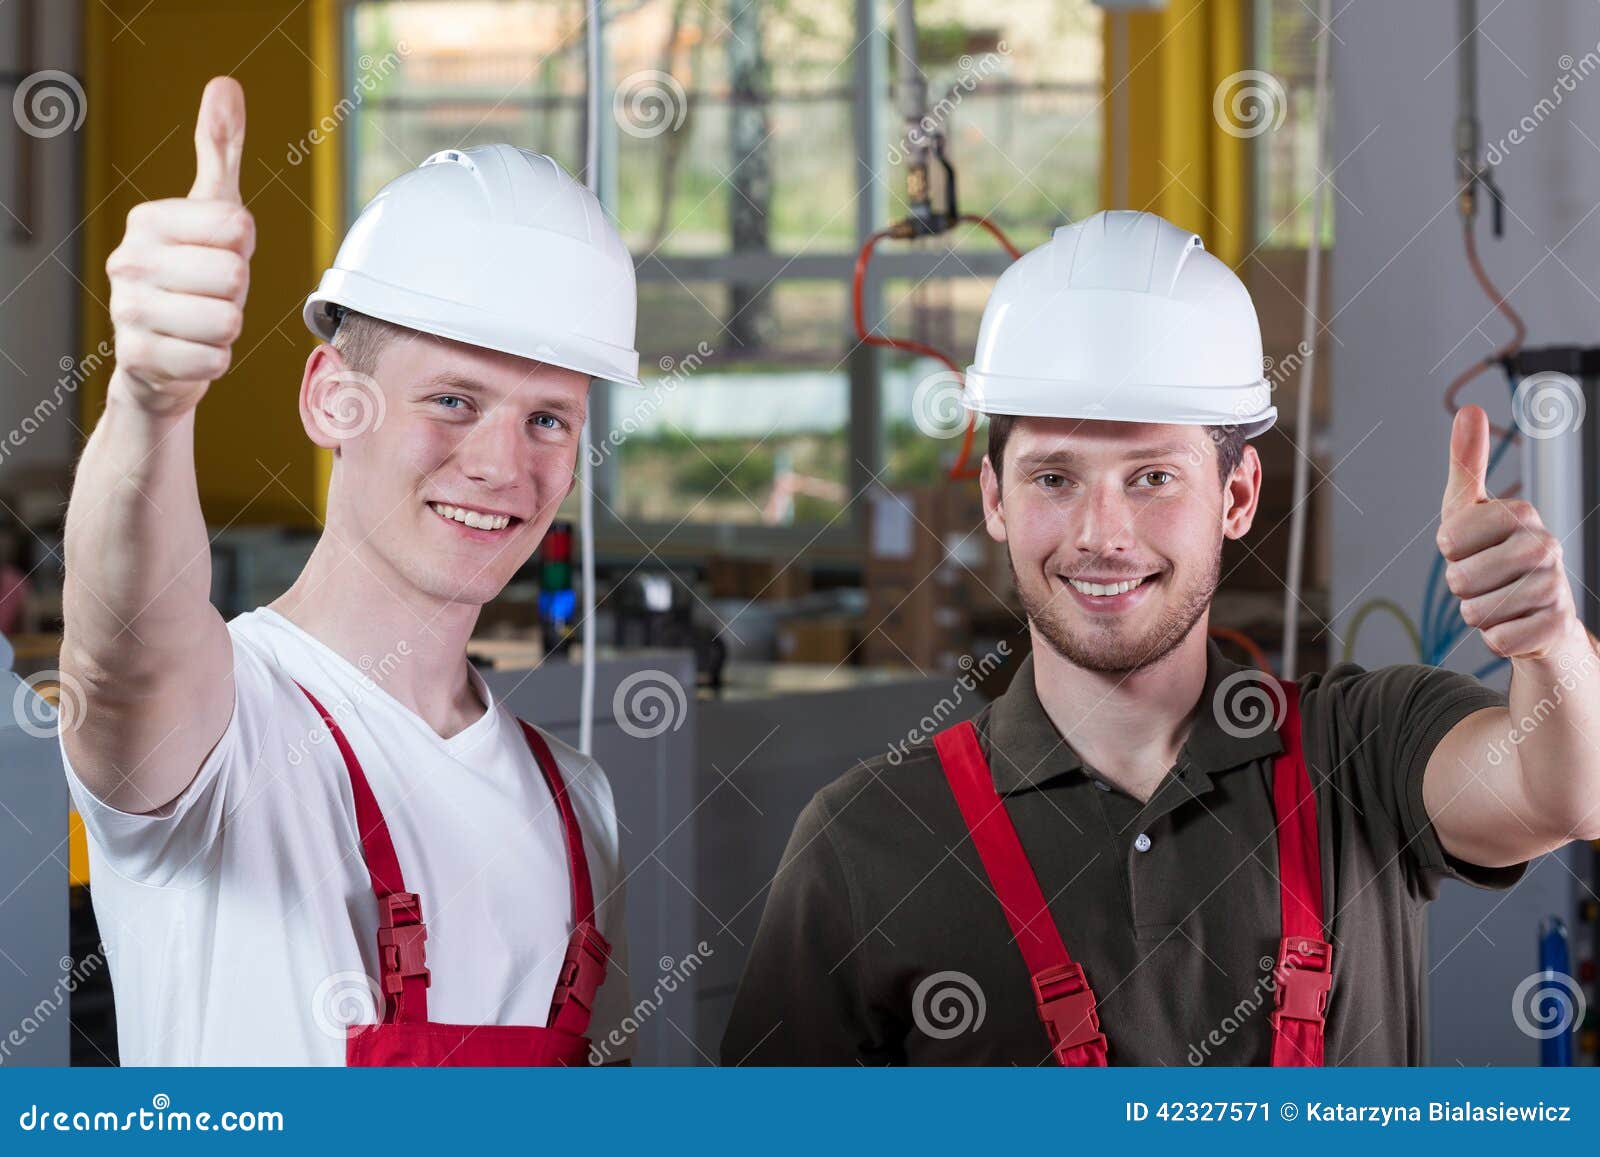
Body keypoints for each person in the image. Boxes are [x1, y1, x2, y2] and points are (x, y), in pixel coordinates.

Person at [722, 209, 1600, 1066]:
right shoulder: (866, 840)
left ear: (1238, 495)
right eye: (1055, 477)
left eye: (1152, 476)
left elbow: (1566, 794)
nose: (1104, 532)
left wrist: (1551, 642)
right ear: (995, 498)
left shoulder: (1363, 750)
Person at [59, 76, 643, 1066]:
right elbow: (127, 641)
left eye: (548, 417)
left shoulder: (578, 800)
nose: (503, 464)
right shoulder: (230, 727)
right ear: (334, 399)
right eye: (454, 399)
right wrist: (148, 401)